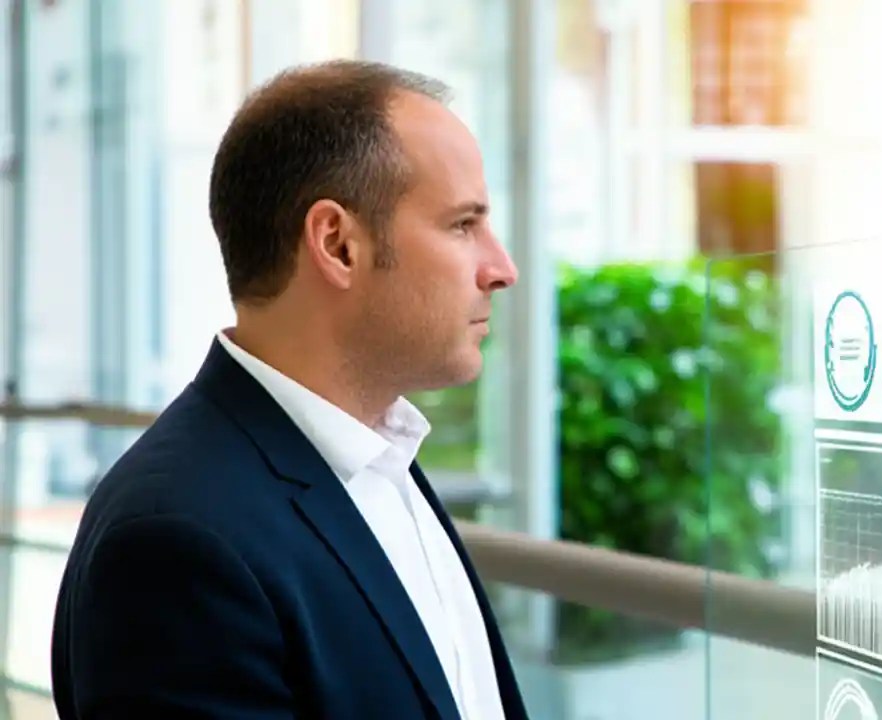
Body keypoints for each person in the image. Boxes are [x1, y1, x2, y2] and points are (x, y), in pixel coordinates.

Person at [50, 60, 527, 720]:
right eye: (462, 225)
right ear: (337, 244)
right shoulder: (178, 539)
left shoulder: (379, 461)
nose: (502, 269)